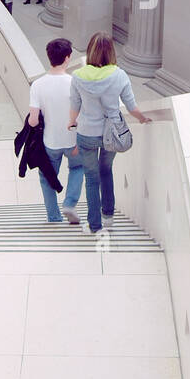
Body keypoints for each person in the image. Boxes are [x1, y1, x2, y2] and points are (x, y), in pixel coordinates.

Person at [68, 33, 150, 235]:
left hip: (86, 133)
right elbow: (131, 106)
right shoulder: (120, 75)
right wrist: (142, 118)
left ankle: (94, 226)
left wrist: (71, 122)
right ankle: (109, 218)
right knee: (106, 171)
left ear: (90, 51)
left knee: (91, 177)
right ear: (112, 52)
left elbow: (75, 105)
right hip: (111, 134)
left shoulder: (78, 76)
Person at [28, 38, 84, 225]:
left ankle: (54, 217)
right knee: (77, 168)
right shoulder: (75, 82)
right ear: (67, 58)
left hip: (50, 141)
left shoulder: (37, 85)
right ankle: (69, 203)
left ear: (49, 57)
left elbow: (33, 120)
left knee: (47, 177)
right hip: (73, 140)